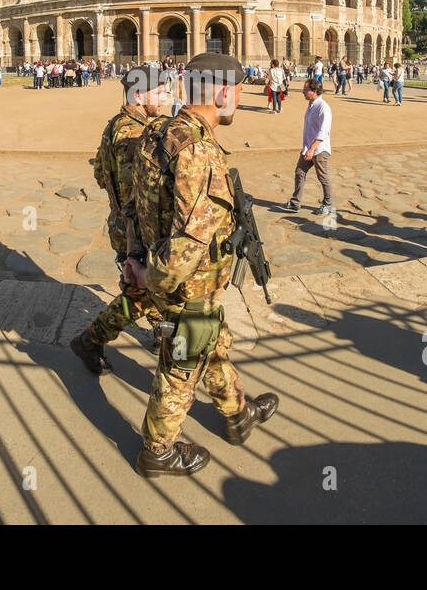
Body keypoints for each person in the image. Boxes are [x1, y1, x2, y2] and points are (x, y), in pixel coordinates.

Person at [120, 53, 278, 477]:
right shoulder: (201, 153)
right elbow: (191, 242)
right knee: (182, 362)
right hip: (186, 285)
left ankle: (237, 412)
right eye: (240, 92)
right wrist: (153, 279)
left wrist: (136, 260)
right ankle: (158, 450)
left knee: (214, 343)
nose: (239, 100)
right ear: (225, 92)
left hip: (159, 270)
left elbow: (133, 207)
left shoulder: (157, 132)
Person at [70, 67, 172, 374]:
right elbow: (136, 198)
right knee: (144, 291)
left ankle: (157, 333)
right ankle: (91, 340)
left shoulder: (114, 125)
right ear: (139, 96)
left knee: (145, 293)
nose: (166, 97)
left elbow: (100, 174)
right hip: (139, 231)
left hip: (124, 226)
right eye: (159, 92)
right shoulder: (134, 135)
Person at [282, 78, 334, 216]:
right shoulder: (311, 104)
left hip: (319, 149)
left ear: (314, 91)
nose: (303, 92)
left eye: (306, 90)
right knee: (300, 172)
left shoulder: (323, 107)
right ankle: (295, 203)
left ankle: (328, 204)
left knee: (323, 177)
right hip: (308, 148)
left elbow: (323, 132)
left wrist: (312, 149)